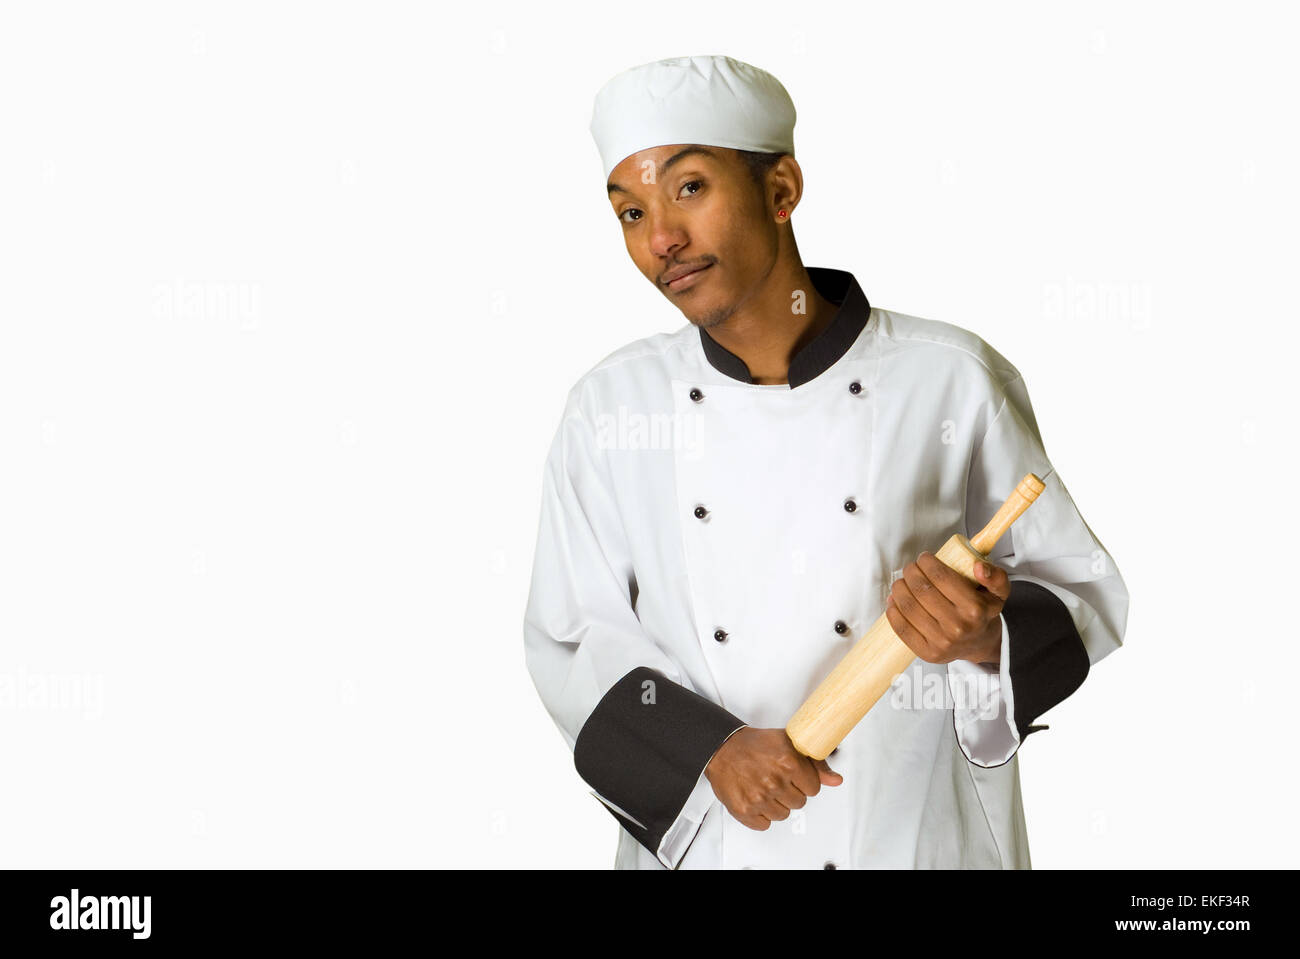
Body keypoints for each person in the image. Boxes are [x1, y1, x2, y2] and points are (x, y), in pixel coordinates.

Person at [522, 54, 1129, 869]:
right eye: (630, 212)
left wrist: (985, 637)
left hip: (916, 837)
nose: (661, 237)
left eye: (689, 188)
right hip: (719, 847)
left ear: (782, 191)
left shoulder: (949, 377)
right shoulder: (611, 409)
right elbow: (570, 634)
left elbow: (1080, 589)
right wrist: (708, 750)